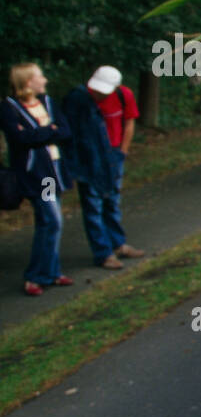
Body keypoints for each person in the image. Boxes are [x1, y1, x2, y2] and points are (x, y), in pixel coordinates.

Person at [62, 66, 145, 269]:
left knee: (112, 202)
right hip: (89, 159)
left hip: (113, 156)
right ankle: (103, 253)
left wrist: (122, 152)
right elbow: (69, 132)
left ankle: (118, 244)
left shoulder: (124, 95)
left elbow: (129, 123)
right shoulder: (79, 99)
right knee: (93, 206)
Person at [3, 63, 73, 296]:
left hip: (55, 171)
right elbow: (19, 138)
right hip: (39, 176)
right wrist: (48, 131)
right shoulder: (10, 108)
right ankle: (36, 275)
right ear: (27, 82)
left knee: (49, 223)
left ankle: (51, 272)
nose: (45, 79)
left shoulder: (48, 102)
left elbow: (64, 131)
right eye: (40, 76)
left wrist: (42, 133)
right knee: (52, 221)